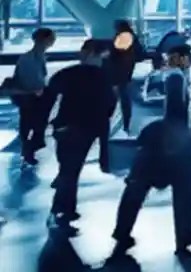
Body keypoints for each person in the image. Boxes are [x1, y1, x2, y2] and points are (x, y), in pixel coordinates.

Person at [111, 44, 191, 260]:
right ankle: (184, 237)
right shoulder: (176, 77)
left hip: (149, 141)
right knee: (183, 192)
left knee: (136, 188)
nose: (190, 61)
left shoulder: (157, 75)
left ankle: (122, 232)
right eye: (189, 57)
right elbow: (174, 111)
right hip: (169, 144)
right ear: (180, 58)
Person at [43, 40, 116, 228]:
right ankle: (64, 207)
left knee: (68, 167)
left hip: (66, 127)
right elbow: (110, 105)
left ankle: (63, 207)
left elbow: (48, 97)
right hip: (89, 128)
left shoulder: (67, 74)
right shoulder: (105, 78)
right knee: (73, 168)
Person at [12, 27, 55, 166]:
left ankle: (28, 150)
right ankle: (28, 149)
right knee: (32, 124)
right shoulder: (29, 58)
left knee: (31, 124)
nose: (53, 42)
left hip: (34, 97)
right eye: (51, 39)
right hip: (31, 97)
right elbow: (31, 80)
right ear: (44, 40)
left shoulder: (37, 57)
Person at [108, 21, 144, 135]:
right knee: (124, 100)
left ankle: (122, 124)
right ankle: (126, 123)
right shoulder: (132, 37)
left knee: (119, 99)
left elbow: (114, 54)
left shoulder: (122, 38)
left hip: (119, 73)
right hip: (127, 72)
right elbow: (140, 53)